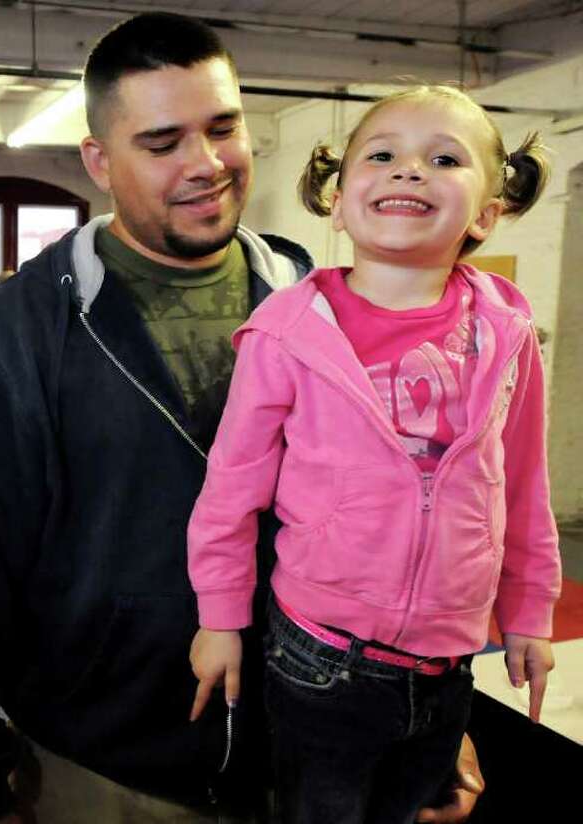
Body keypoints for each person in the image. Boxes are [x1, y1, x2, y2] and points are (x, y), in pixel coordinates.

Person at [0, 14, 483, 824]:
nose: (205, 165)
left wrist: (427, 720)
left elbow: (411, 527)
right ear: (99, 161)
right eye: (162, 142)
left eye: (223, 128)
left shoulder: (328, 303)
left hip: (312, 754)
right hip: (106, 769)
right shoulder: (16, 334)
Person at [187, 85, 560, 824]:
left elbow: (522, 484)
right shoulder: (287, 332)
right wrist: (220, 617)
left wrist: (529, 611)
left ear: (488, 211)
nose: (409, 170)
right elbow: (232, 488)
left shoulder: (507, 334)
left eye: (444, 159)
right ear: (336, 198)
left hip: (451, 663)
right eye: (382, 154)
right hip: (321, 658)